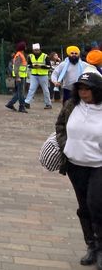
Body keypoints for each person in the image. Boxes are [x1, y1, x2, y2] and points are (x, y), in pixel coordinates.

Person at [55, 71, 102, 268]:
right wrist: (65, 145)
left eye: (87, 89)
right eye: (80, 89)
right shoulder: (71, 105)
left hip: (98, 165)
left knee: (96, 204)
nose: (83, 93)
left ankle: (100, 247)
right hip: (75, 165)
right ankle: (90, 245)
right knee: (84, 207)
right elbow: (60, 126)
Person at [25, 43, 52, 109]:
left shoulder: (45, 56)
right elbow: (28, 65)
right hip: (34, 75)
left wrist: (41, 67)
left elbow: (49, 66)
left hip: (43, 75)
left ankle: (48, 104)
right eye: (35, 50)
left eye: (37, 50)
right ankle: (27, 102)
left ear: (39, 49)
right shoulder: (30, 56)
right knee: (31, 89)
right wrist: (33, 66)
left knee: (45, 90)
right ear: (33, 50)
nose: (36, 51)